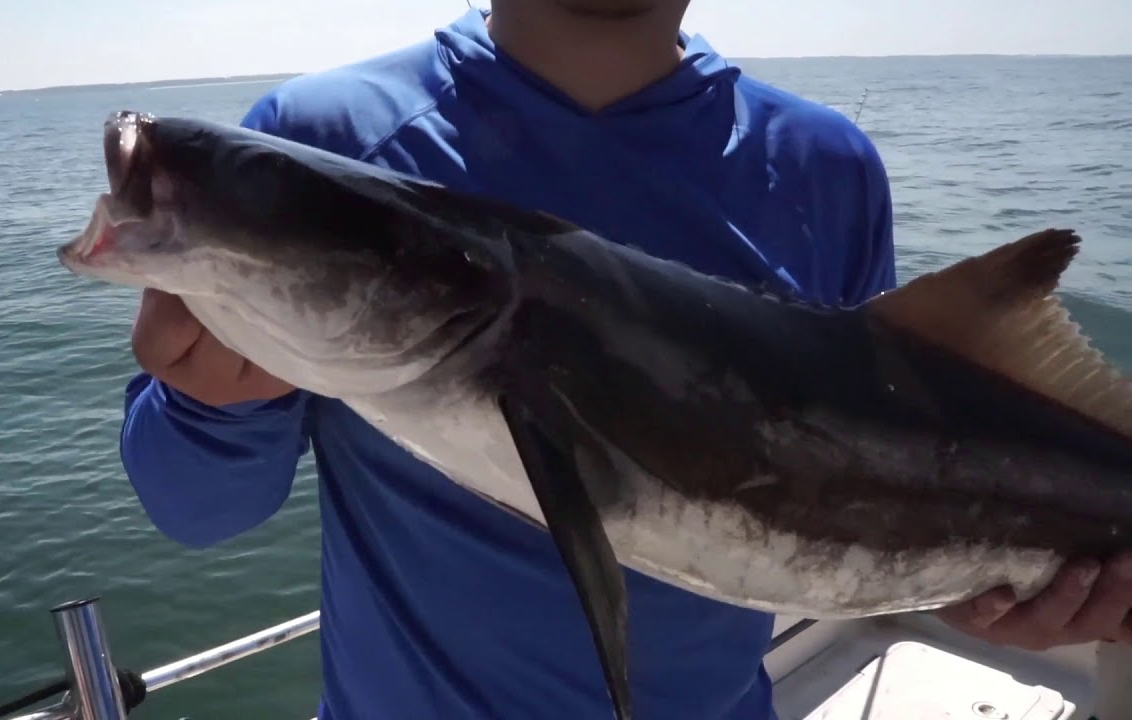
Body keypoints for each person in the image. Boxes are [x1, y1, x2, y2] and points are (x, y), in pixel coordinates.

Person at [120, 2, 1132, 718]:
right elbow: (194, 511)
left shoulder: (823, 168)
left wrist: (989, 585)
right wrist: (214, 405)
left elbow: (877, 471)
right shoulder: (319, 142)